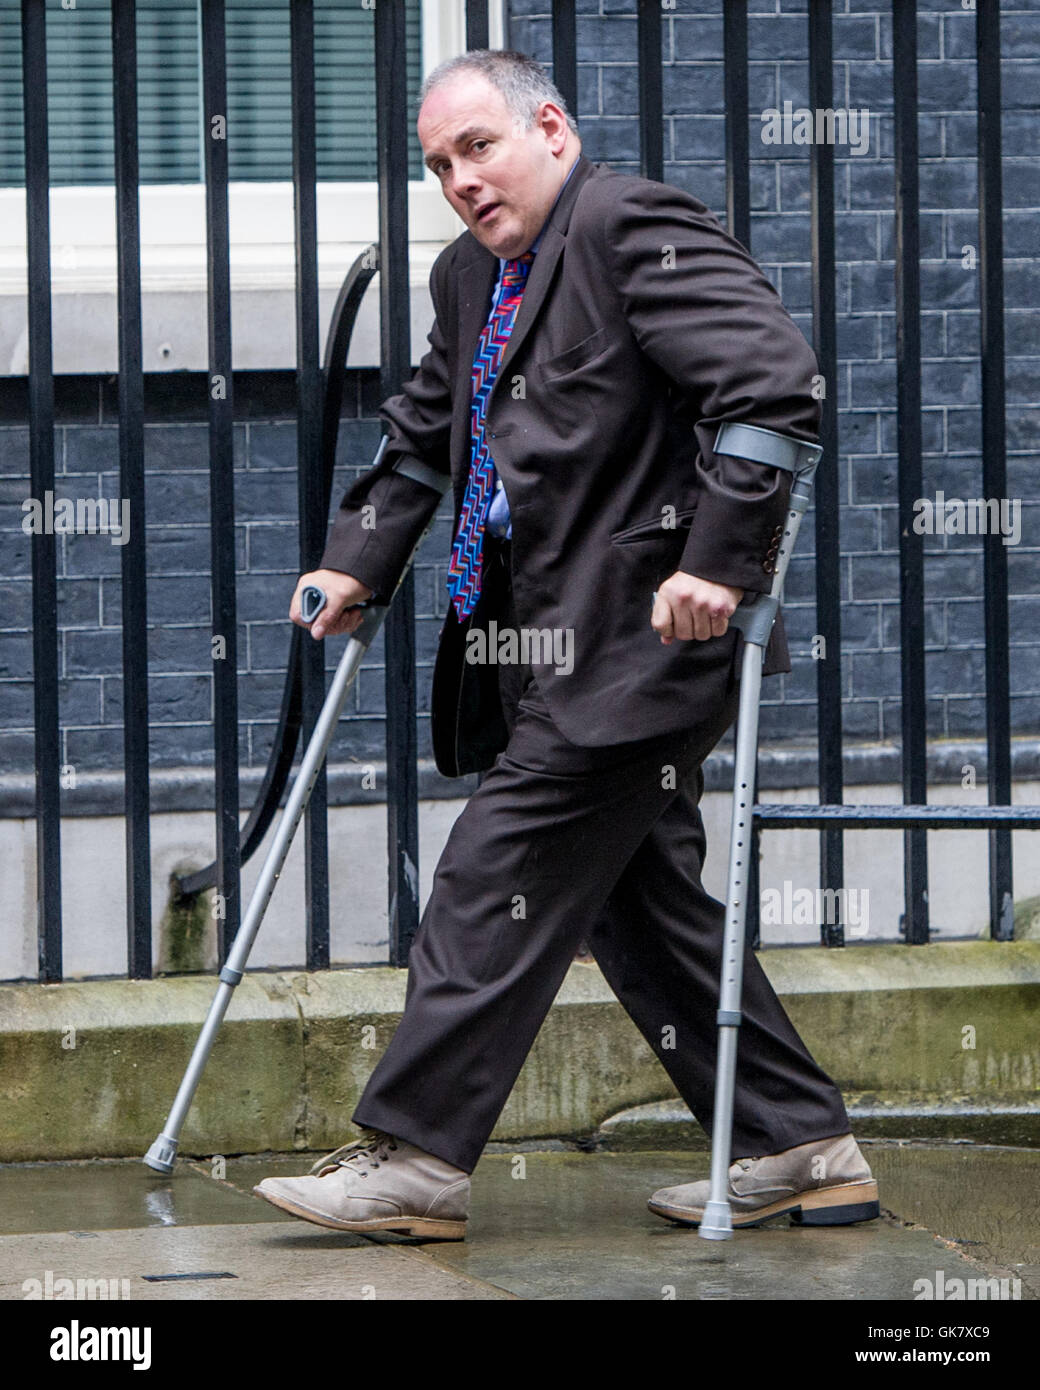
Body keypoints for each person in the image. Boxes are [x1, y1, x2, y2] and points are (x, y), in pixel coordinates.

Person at [253, 49, 879, 1240]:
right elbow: (426, 433)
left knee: (497, 872)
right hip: (533, 641)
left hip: (644, 638)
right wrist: (357, 558)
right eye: (438, 164)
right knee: (640, 903)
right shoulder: (465, 276)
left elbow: (769, 388)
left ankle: (413, 1160)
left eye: (477, 148)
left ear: (547, 127)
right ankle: (797, 1141)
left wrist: (715, 560)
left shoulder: (629, 224)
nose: (459, 180)